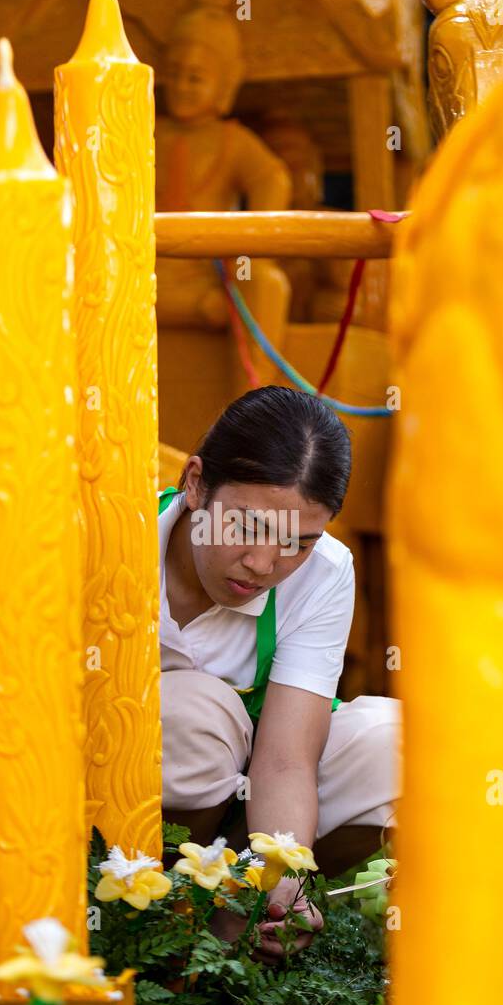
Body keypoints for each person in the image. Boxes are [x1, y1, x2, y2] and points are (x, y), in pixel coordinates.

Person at [160, 386, 402, 959]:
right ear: (195, 484)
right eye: (247, 527)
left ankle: (236, 915)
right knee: (193, 714)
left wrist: (281, 882)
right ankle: (155, 910)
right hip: (121, 807)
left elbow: (287, 758)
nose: (265, 564)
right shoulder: (111, 533)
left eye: (297, 542)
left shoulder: (322, 573)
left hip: (249, 802)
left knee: (396, 746)